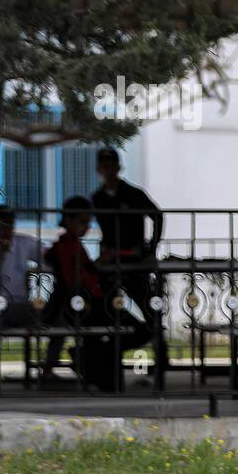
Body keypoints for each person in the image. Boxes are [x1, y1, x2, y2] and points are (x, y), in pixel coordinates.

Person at [43, 196, 150, 390]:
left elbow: (85, 271)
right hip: (86, 305)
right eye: (82, 221)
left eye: (88, 222)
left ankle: (90, 359)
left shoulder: (73, 245)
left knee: (134, 331)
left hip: (93, 302)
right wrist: (96, 269)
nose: (86, 227)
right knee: (137, 330)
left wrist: (99, 264)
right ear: (69, 221)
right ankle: (90, 361)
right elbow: (74, 278)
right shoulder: (65, 247)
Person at [91, 148, 166, 371]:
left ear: (118, 167)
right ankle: (109, 355)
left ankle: (161, 357)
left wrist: (151, 248)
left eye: (112, 165)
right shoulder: (97, 198)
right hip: (111, 261)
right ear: (99, 169)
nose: (108, 170)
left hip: (134, 261)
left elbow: (157, 215)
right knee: (105, 306)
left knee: (148, 306)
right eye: (104, 166)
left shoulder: (133, 194)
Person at [0, 208, 44, 328]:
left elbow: (50, 258)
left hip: (19, 304)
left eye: (9, 225)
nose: (5, 231)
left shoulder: (24, 243)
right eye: (1, 226)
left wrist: (33, 271)